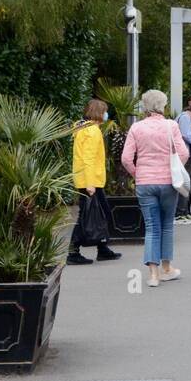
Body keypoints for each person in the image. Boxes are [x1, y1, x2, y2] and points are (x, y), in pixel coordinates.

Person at [121, 89, 188, 287]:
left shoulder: (136, 128)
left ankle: (153, 275)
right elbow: (183, 153)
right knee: (167, 225)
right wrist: (174, 170)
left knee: (151, 227)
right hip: (168, 182)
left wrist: (137, 173)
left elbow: (125, 158)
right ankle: (167, 268)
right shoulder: (171, 126)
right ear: (162, 105)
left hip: (145, 182)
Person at [67, 98, 122, 265]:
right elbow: (89, 158)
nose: (106, 114)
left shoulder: (83, 128)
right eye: (104, 111)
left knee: (98, 212)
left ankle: (102, 248)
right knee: (88, 214)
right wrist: (91, 183)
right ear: (99, 112)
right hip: (90, 181)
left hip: (85, 179)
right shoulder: (92, 131)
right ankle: (73, 251)